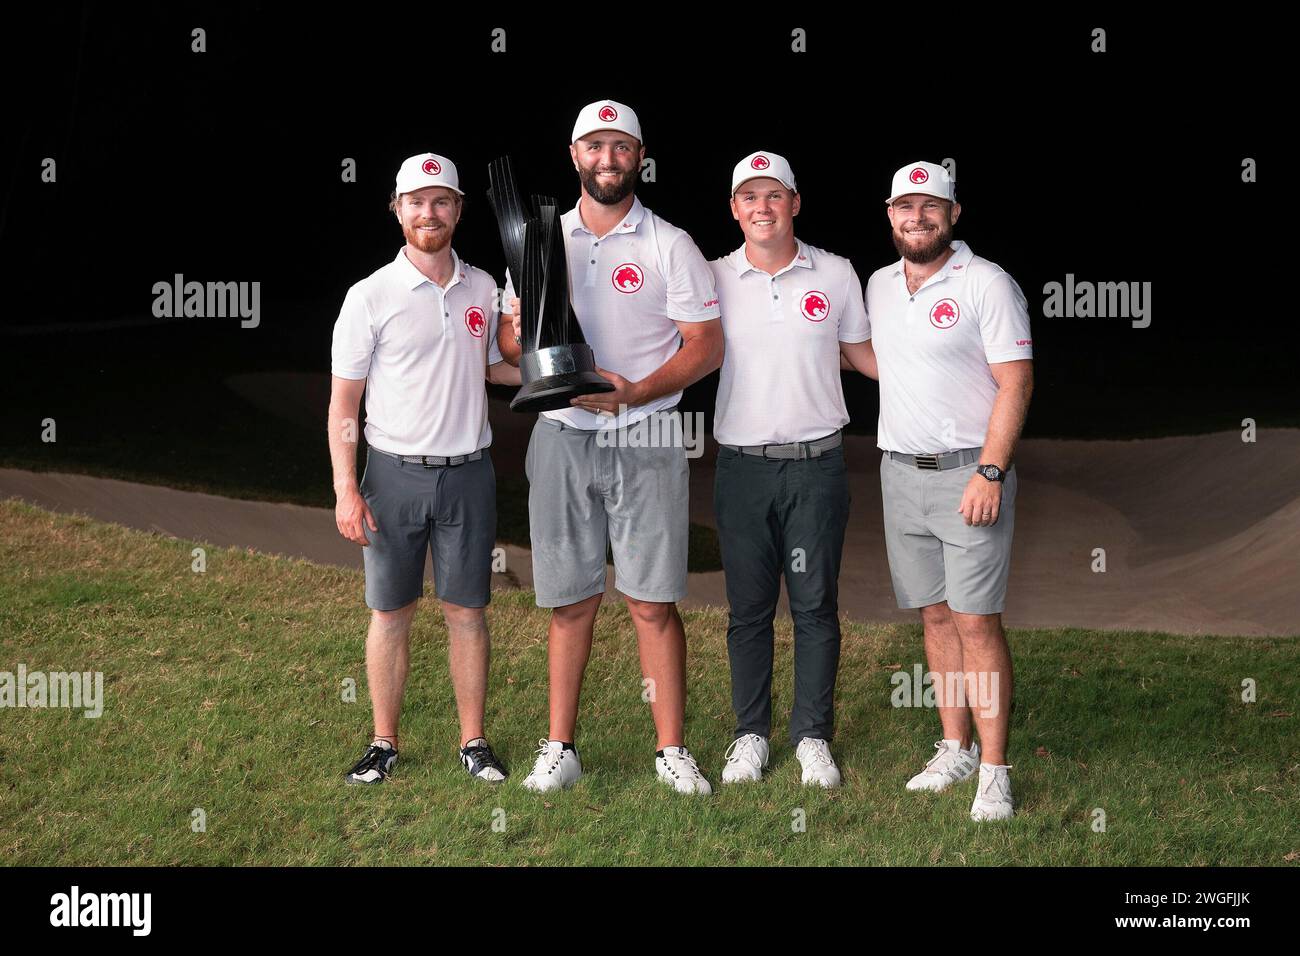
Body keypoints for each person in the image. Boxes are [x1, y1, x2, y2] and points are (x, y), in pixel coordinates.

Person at [497, 100, 724, 794]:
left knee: (652, 602)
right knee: (570, 600)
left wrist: (636, 393)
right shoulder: (541, 237)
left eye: (620, 147)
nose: (607, 159)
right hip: (563, 436)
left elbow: (706, 345)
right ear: (575, 156)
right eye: (594, 146)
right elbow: (510, 338)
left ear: (640, 156)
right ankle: (561, 749)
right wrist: (542, 356)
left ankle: (671, 751)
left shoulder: (669, 243)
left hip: (646, 433)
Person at [328, 152, 520, 786]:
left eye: (441, 200)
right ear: (398, 210)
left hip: (467, 472)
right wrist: (346, 490)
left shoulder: (486, 288)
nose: (429, 212)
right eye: (416, 201)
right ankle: (383, 742)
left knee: (467, 611)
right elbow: (344, 404)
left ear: (458, 210)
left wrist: (559, 371)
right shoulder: (369, 296)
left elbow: (494, 367)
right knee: (392, 612)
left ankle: (473, 742)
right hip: (392, 475)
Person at [863, 161, 1033, 820]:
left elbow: (1015, 381)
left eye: (931, 206)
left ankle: (994, 770)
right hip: (899, 472)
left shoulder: (986, 283)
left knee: (976, 621)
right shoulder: (879, 285)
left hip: (970, 473)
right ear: (890, 214)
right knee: (935, 615)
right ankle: (954, 746)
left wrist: (991, 469)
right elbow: (881, 359)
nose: (917, 217)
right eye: (905, 207)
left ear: (953, 214)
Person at [708, 151, 875, 789]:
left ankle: (812, 737)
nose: (762, 207)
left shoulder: (833, 273)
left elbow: (862, 354)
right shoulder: (714, 277)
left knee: (814, 606)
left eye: (773, 195)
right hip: (744, 469)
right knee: (747, 610)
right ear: (734, 209)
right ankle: (750, 735)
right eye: (749, 197)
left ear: (795, 203)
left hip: (817, 466)